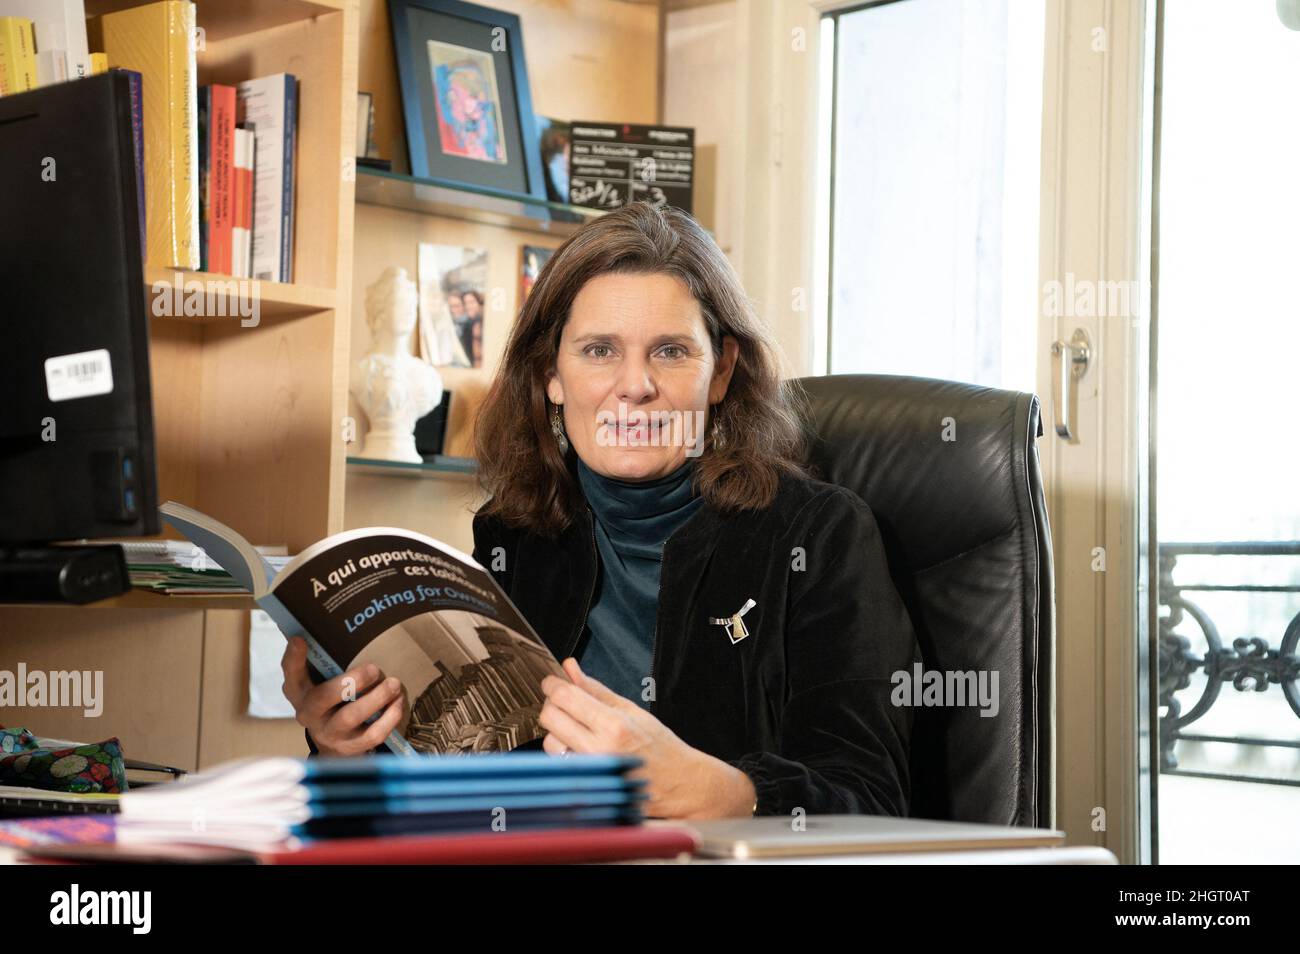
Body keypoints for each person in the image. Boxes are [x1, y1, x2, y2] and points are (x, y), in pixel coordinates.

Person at [283, 202, 917, 820]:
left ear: (721, 372)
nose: (634, 386)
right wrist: (347, 747)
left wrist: (714, 790)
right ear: (551, 374)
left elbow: (870, 797)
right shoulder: (516, 535)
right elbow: (455, 781)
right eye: (599, 350)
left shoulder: (820, 536)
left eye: (671, 351)